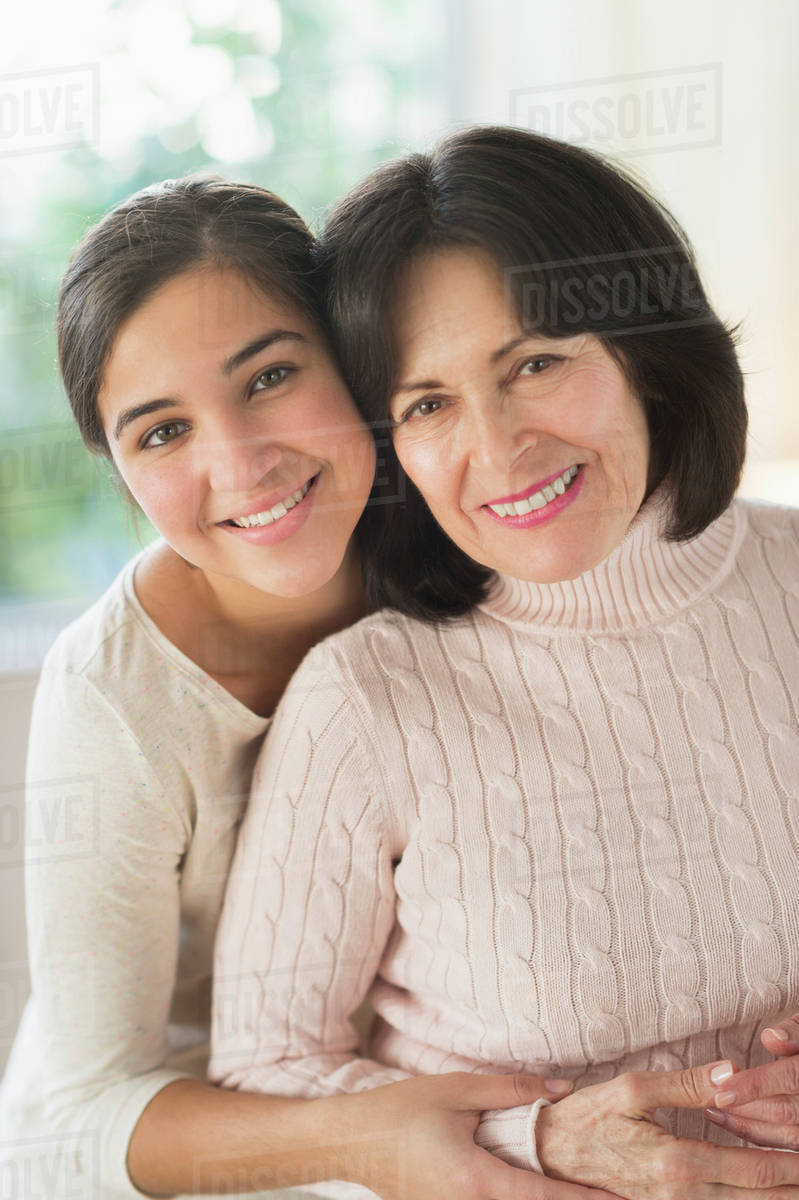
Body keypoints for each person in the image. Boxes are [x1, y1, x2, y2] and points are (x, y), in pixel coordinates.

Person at [208, 126, 799, 1200]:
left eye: (535, 363)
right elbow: (262, 1075)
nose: (499, 446)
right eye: (428, 404)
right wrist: (535, 1138)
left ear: (646, 356)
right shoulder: (368, 696)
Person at [0, 176, 604, 1200]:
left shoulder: (474, 523)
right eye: (161, 432)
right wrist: (362, 1142)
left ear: (357, 364)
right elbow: (60, 1128)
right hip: (229, 1161)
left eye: (270, 377)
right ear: (120, 473)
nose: (239, 464)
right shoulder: (119, 700)